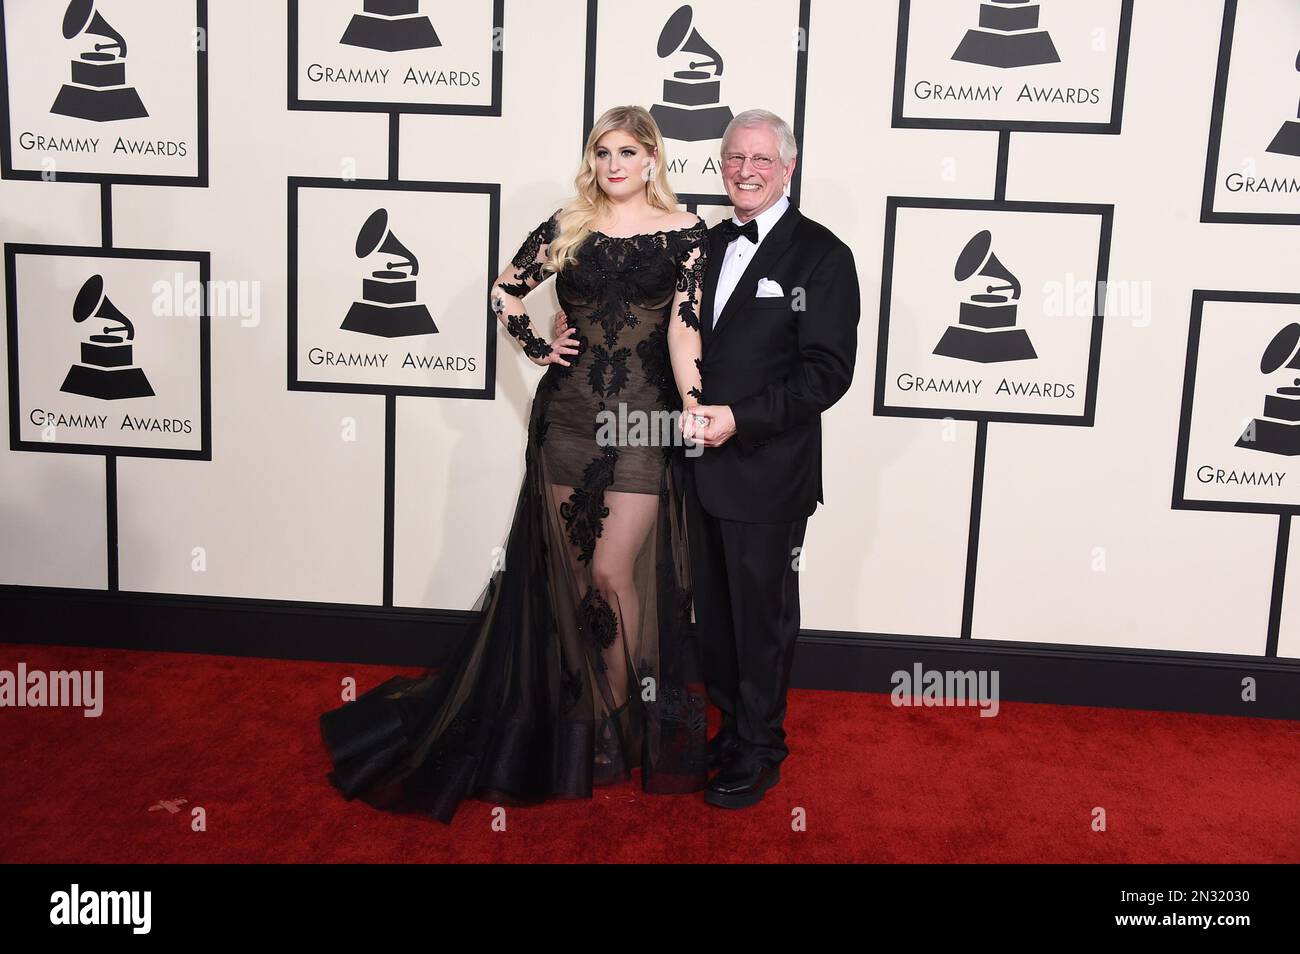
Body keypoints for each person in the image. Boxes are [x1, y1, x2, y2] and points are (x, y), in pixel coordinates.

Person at [318, 105, 711, 824]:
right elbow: (504, 291)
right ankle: (581, 717)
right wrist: (537, 349)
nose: (614, 165)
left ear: (653, 159)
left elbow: (685, 332)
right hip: (567, 419)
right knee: (568, 577)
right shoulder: (569, 226)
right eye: (602, 152)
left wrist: (693, 404)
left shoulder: (688, 233)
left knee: (610, 573)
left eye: (628, 152)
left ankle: (619, 717)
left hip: (644, 421)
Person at [683, 109, 860, 808]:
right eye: (733, 159)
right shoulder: (709, 241)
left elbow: (826, 372)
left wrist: (741, 420)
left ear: (788, 167)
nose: (746, 170)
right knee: (717, 621)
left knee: (762, 620)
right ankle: (732, 730)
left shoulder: (822, 254)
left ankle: (761, 748)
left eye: (760, 158)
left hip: (767, 472)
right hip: (696, 467)